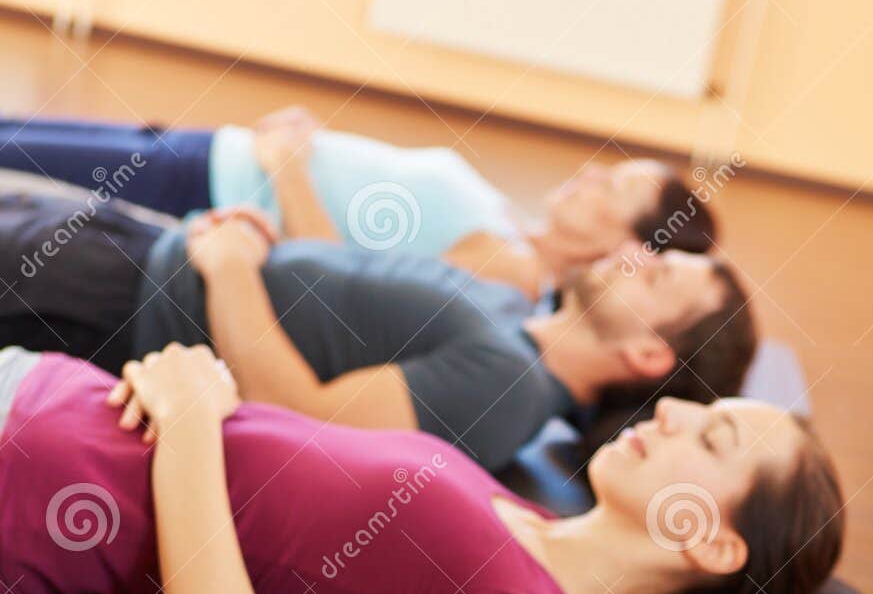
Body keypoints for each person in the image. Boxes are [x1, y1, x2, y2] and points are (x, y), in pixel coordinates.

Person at [0, 344, 841, 594]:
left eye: (712, 438)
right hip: (46, 387)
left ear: (713, 544)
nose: (675, 410)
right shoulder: (528, 514)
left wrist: (189, 418)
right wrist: (204, 393)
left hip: (24, 486)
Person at [0, 186, 753, 474]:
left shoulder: (507, 389)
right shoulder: (516, 316)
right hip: (138, 249)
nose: (634, 256)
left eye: (655, 277)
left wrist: (230, 269)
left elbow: (293, 412)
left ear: (647, 352)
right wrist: (251, 239)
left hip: (116, 305)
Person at [0, 106, 718, 297]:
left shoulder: (512, 273)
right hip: (225, 152)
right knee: (17, 134)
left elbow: (335, 273)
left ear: (626, 247)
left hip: (211, 185)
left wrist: (288, 169)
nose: (591, 176)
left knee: (17, 146)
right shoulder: (514, 226)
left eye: (613, 190)